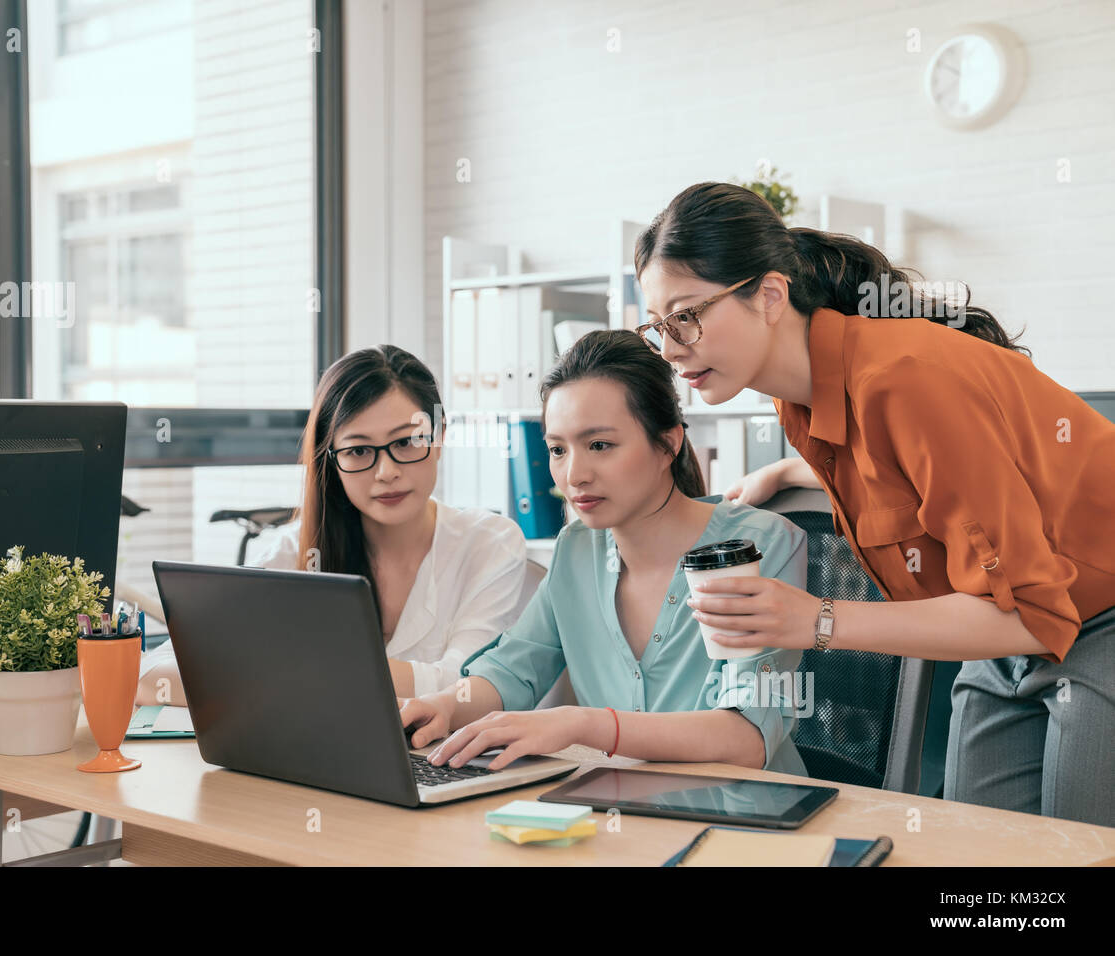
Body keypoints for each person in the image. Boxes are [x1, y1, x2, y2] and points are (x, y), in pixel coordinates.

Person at [633, 180, 1115, 826]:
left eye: (687, 315)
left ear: (770, 295)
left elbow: (1033, 612)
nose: (670, 348)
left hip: (1087, 621)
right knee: (983, 860)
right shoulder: (804, 398)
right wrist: (790, 468)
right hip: (1007, 636)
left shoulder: (906, 378)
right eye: (658, 327)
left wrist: (817, 620)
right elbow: (906, 466)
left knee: (1063, 862)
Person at [400, 330, 810, 775]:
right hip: (619, 815)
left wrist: (583, 725)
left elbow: (745, 738)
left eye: (600, 445)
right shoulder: (576, 551)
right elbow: (513, 671)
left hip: (751, 821)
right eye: (558, 449)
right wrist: (441, 705)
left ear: (668, 444)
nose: (574, 475)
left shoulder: (761, 546)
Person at [136, 345, 528, 704]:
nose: (386, 471)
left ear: (440, 436)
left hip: (445, 766)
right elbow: (154, 673)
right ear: (331, 460)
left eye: (406, 442)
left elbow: (468, 684)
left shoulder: (489, 543)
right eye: (358, 451)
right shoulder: (296, 553)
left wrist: (290, 672)